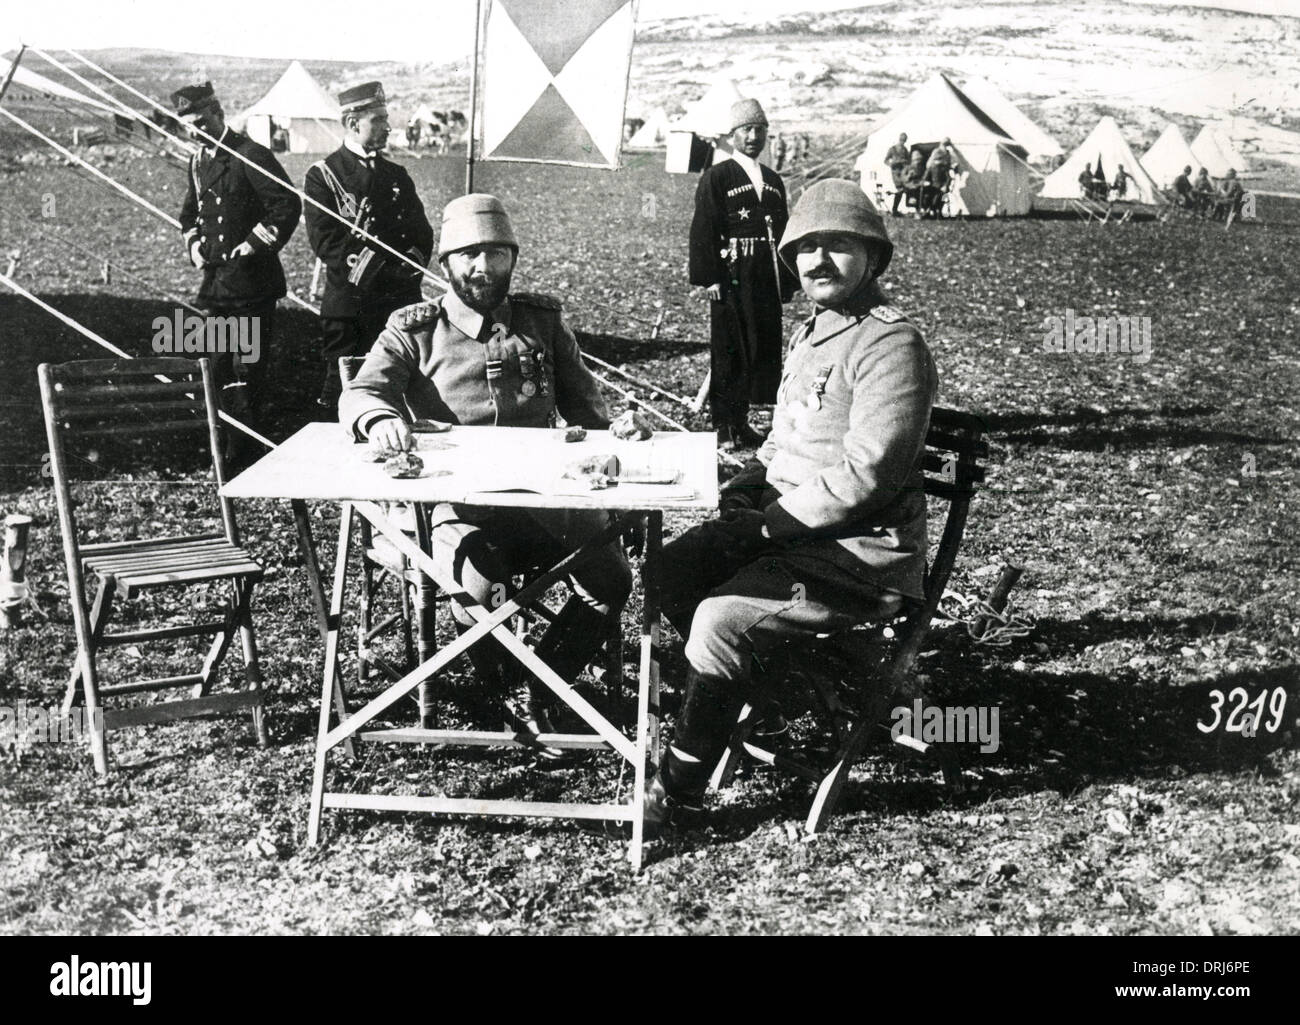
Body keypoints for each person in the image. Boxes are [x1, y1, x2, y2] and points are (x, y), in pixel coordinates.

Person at [641, 179, 938, 830]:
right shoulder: (812, 335)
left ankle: (680, 789)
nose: (817, 261)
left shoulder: (891, 344)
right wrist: (743, 494)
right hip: (791, 535)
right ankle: (737, 697)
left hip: (855, 556)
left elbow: (869, 473)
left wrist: (765, 525)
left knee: (719, 617)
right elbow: (781, 441)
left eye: (837, 245)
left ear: (873, 256)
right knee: (666, 571)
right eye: (805, 248)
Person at [339, 194, 632, 758]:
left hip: (541, 497)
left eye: (496, 254)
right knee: (480, 585)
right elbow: (364, 393)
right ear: (445, 262)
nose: (483, 269)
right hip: (451, 505)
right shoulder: (415, 329)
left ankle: (545, 684)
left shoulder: (541, 322)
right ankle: (501, 696)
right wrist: (378, 421)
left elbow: (588, 413)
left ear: (512, 260)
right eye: (469, 255)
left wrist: (618, 437)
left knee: (610, 577)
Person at [173, 81, 301, 444]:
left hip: (252, 284)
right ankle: (221, 443)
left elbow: (286, 204)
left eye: (201, 121)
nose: (196, 131)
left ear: (218, 113)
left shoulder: (250, 154)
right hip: (216, 286)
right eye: (189, 126)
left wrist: (252, 245)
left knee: (247, 369)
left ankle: (247, 447)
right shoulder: (198, 161)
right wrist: (195, 244)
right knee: (215, 365)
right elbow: (189, 215)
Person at [305, 81, 434, 414]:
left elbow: (421, 232)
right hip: (352, 309)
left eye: (385, 118)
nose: (388, 127)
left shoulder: (397, 174)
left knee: (403, 397)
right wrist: (389, 275)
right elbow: (328, 243)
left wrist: (410, 268)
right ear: (352, 123)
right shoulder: (324, 175)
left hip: (400, 303)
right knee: (346, 398)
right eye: (378, 119)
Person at [689, 98, 799, 450]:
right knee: (729, 348)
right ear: (732, 136)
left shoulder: (772, 179)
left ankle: (743, 421)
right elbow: (704, 227)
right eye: (746, 130)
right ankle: (723, 424)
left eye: (760, 130)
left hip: (765, 277)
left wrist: (787, 278)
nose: (753, 136)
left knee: (759, 347)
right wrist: (711, 278)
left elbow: (783, 231)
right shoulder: (717, 176)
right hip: (732, 275)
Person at [885, 132, 910, 216]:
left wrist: (905, 163)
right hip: (895, 172)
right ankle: (894, 210)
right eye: (902, 140)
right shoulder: (892, 149)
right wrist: (892, 164)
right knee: (900, 189)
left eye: (904, 140)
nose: (902, 142)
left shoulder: (905, 150)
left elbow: (908, 161)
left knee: (902, 190)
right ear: (899, 139)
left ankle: (895, 210)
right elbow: (886, 160)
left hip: (903, 172)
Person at [902, 149, 927, 215]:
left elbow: (923, 177)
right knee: (915, 191)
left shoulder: (921, 168)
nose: (917, 162)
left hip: (918, 185)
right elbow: (903, 179)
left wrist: (922, 182)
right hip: (909, 185)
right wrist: (909, 175)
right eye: (916, 160)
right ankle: (917, 210)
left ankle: (925, 209)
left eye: (919, 160)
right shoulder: (907, 168)